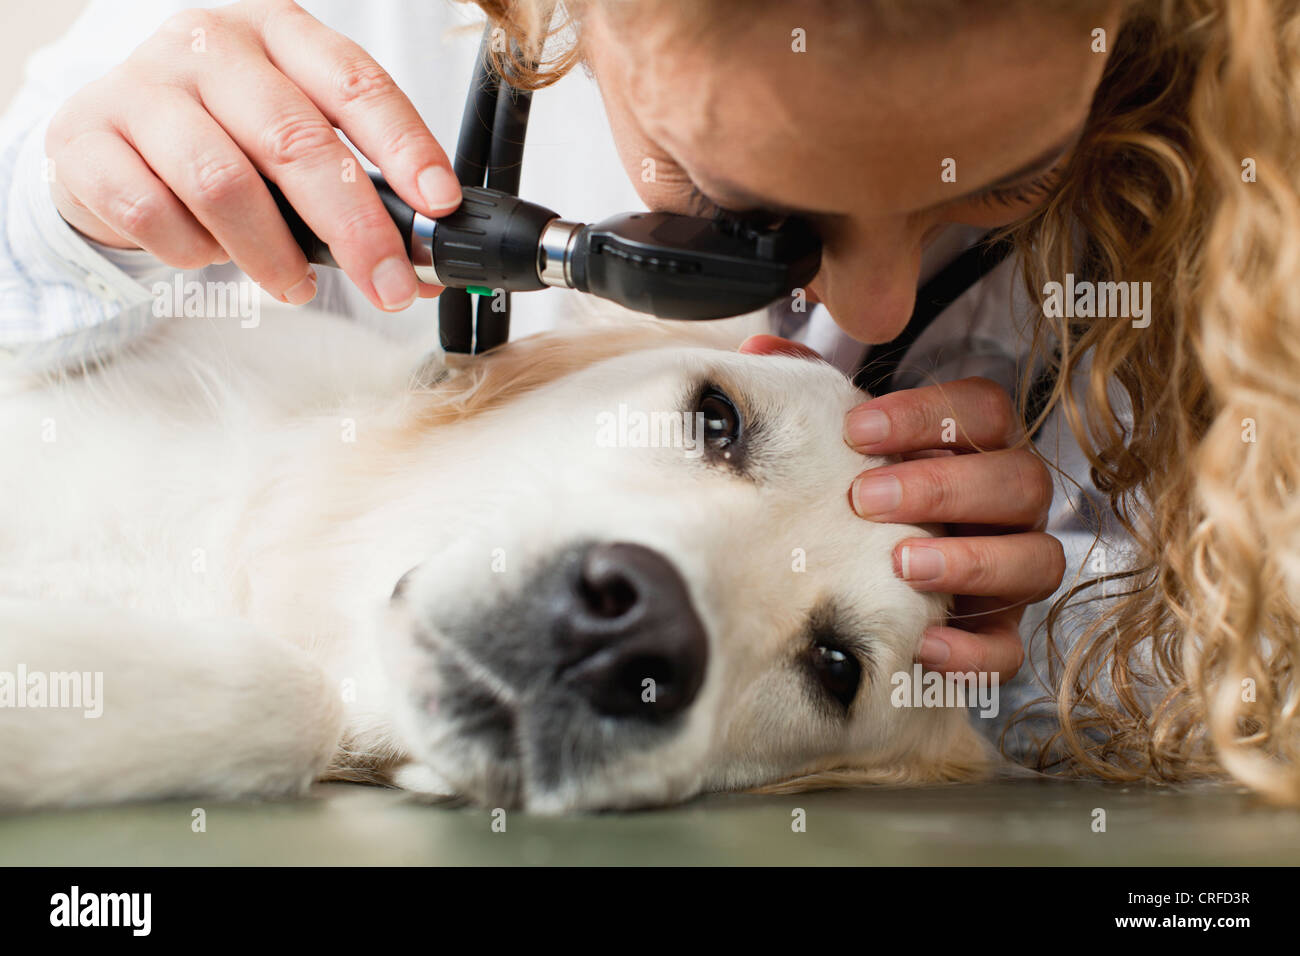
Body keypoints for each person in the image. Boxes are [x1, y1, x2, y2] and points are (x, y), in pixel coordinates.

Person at [1, 0, 1295, 802]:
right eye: (731, 204)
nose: (881, 306)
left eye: (1011, 182)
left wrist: (1051, 631)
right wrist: (78, 224)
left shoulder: (1254, 206)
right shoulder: (324, 26)